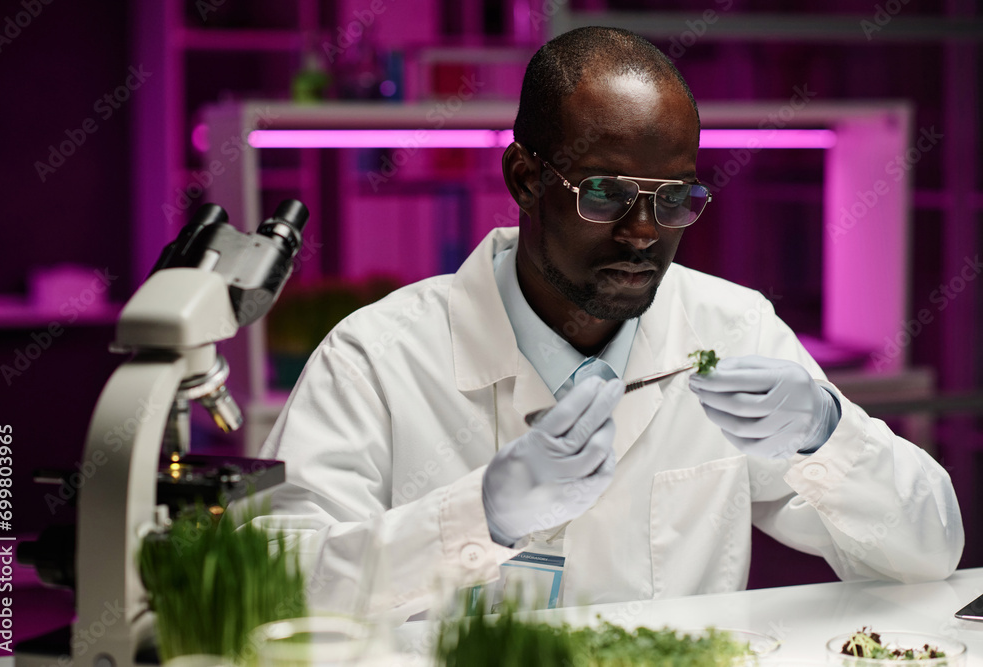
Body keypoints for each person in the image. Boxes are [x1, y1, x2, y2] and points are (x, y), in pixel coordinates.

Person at [251, 27, 963, 619]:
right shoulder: (376, 358)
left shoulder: (730, 328)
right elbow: (272, 591)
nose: (644, 232)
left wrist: (828, 433)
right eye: (606, 192)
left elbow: (929, 552)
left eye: (675, 196)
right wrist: (480, 515)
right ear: (525, 178)